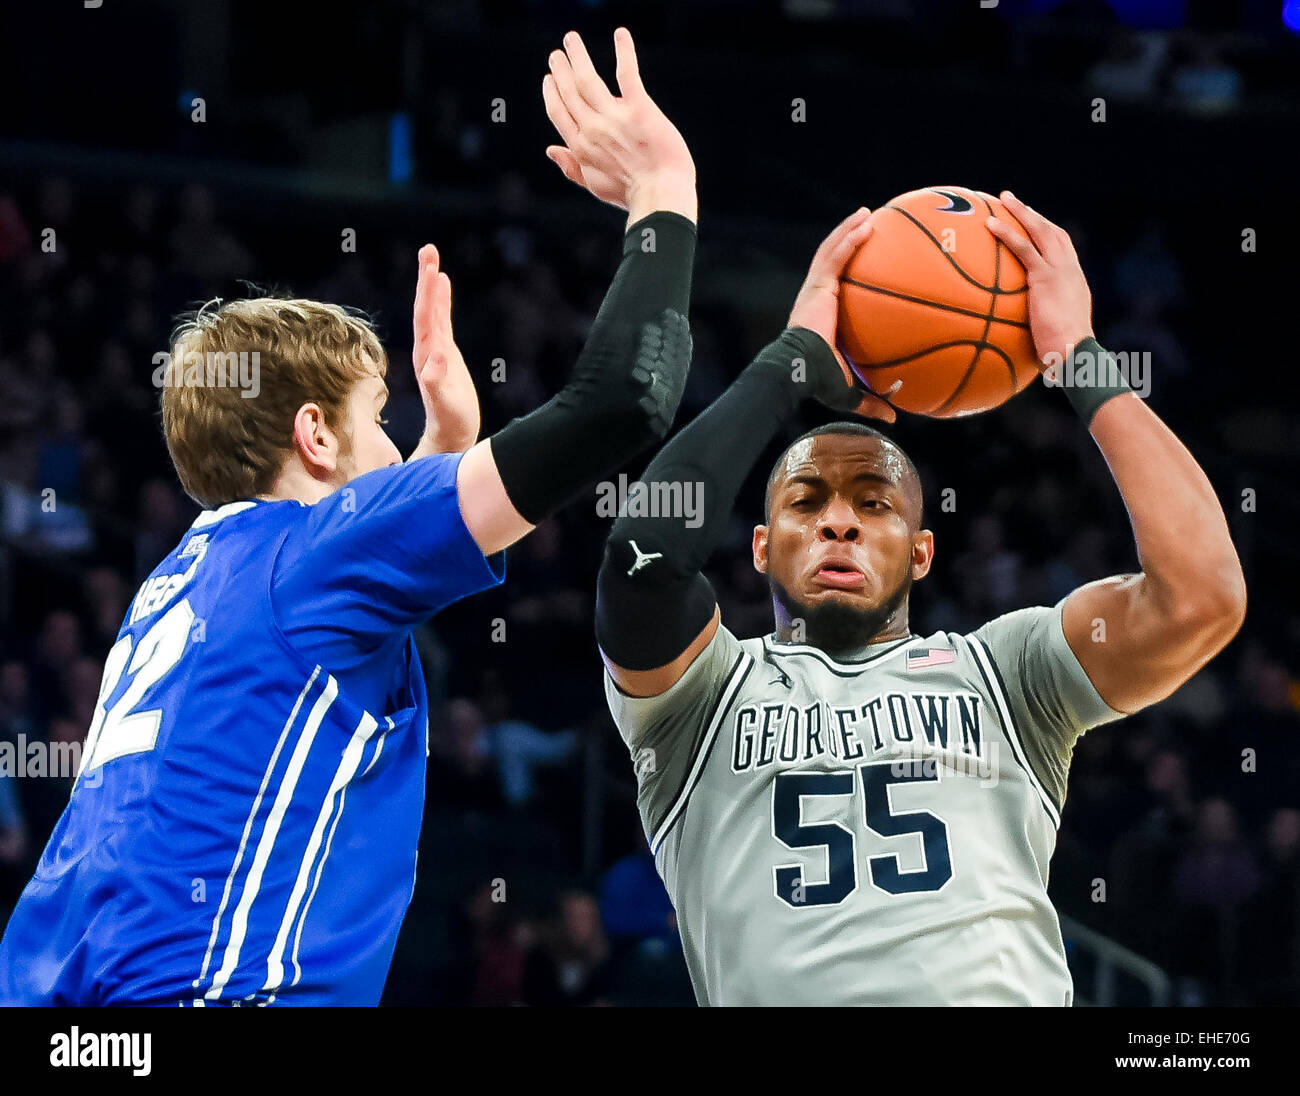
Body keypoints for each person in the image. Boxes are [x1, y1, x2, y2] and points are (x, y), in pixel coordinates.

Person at [0, 28, 698, 1006]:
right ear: (316, 437)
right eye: (380, 420)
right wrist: (664, 190)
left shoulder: (177, 586)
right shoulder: (314, 554)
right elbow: (625, 394)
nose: (390, 447)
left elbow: (324, 628)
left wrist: (436, 454)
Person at [595, 195, 1247, 1006]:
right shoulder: (699, 701)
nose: (838, 520)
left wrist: (1078, 358)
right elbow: (641, 559)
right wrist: (786, 363)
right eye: (806, 502)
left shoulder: (1007, 674)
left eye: (874, 504)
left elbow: (1201, 596)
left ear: (922, 553)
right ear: (761, 546)